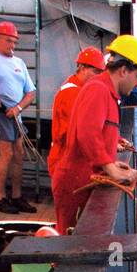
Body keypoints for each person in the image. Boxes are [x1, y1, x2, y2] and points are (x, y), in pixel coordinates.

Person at [51, 35, 137, 235]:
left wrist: (111, 163)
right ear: (124, 70)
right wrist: (111, 168)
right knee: (69, 242)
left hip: (84, 178)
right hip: (75, 182)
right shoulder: (98, 89)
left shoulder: (106, 92)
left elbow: (98, 133)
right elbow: (87, 133)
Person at [0, 20, 38, 214]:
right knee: (6, 154)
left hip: (15, 115)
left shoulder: (19, 63)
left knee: (18, 154)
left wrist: (18, 108)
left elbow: (30, 93)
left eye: (14, 41)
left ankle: (16, 196)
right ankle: (1, 198)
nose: (12, 45)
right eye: (8, 41)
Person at [47, 46, 106, 181]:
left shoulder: (80, 90)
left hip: (72, 162)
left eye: (101, 73)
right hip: (66, 164)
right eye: (96, 72)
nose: (99, 77)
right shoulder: (71, 93)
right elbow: (82, 131)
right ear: (82, 68)